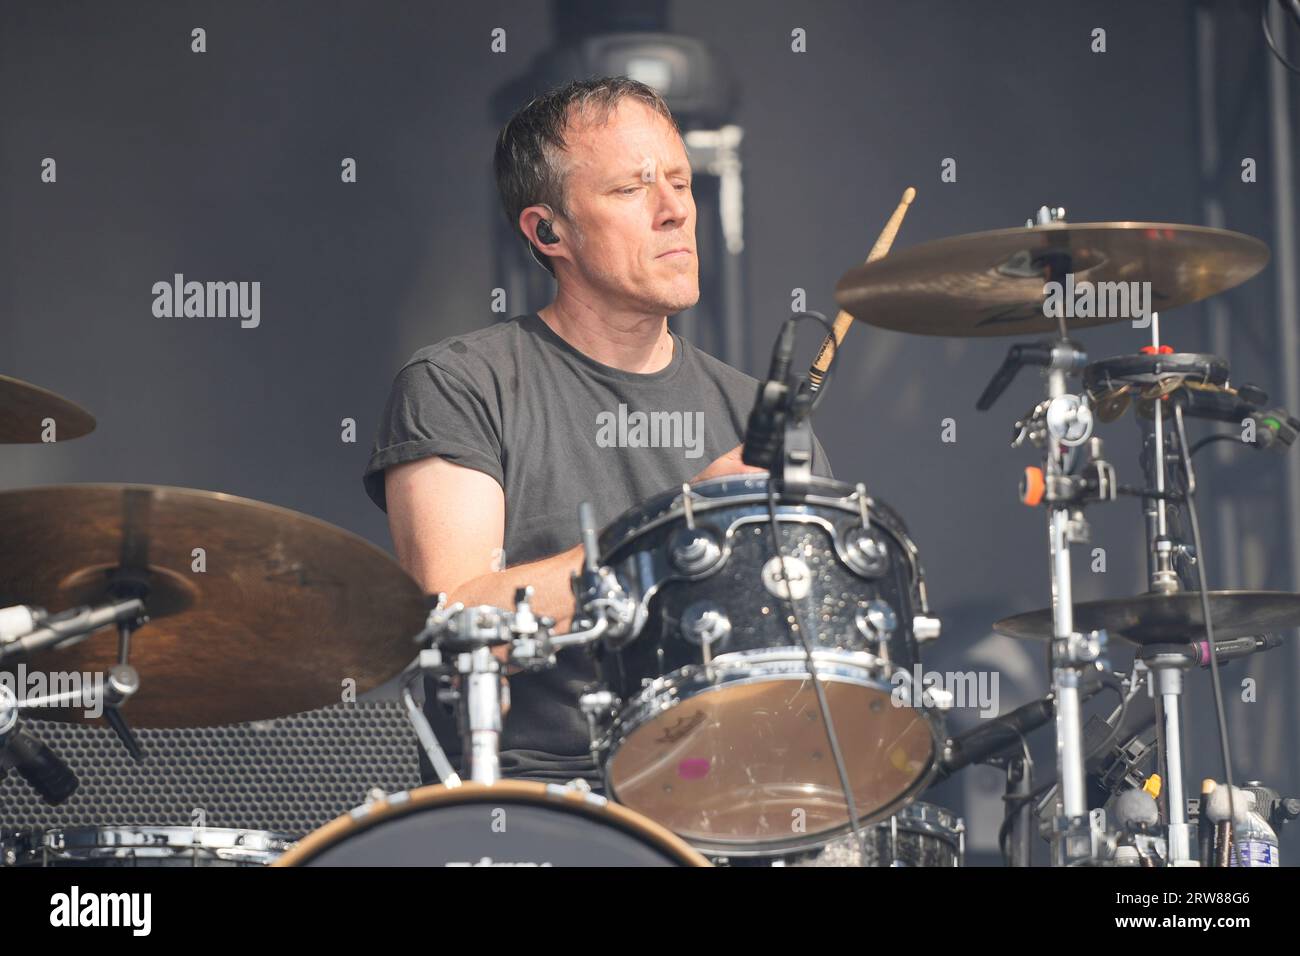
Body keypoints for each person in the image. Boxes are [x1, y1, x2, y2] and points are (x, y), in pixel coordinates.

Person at [364, 75, 831, 790]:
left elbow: (816, 664)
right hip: (536, 807)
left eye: (680, 181)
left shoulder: (755, 416)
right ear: (548, 231)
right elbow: (456, 619)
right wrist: (673, 532)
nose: (676, 210)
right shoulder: (460, 384)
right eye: (630, 189)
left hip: (728, 800)